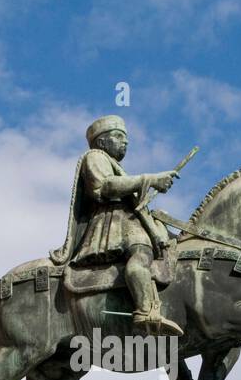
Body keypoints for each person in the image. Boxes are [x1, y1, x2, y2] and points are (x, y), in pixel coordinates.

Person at [61, 115, 182, 337]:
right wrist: (150, 179)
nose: (125, 142)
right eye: (118, 136)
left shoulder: (115, 165)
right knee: (140, 256)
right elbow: (106, 186)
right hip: (114, 224)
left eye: (126, 138)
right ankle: (145, 311)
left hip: (128, 221)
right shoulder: (94, 157)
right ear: (101, 142)